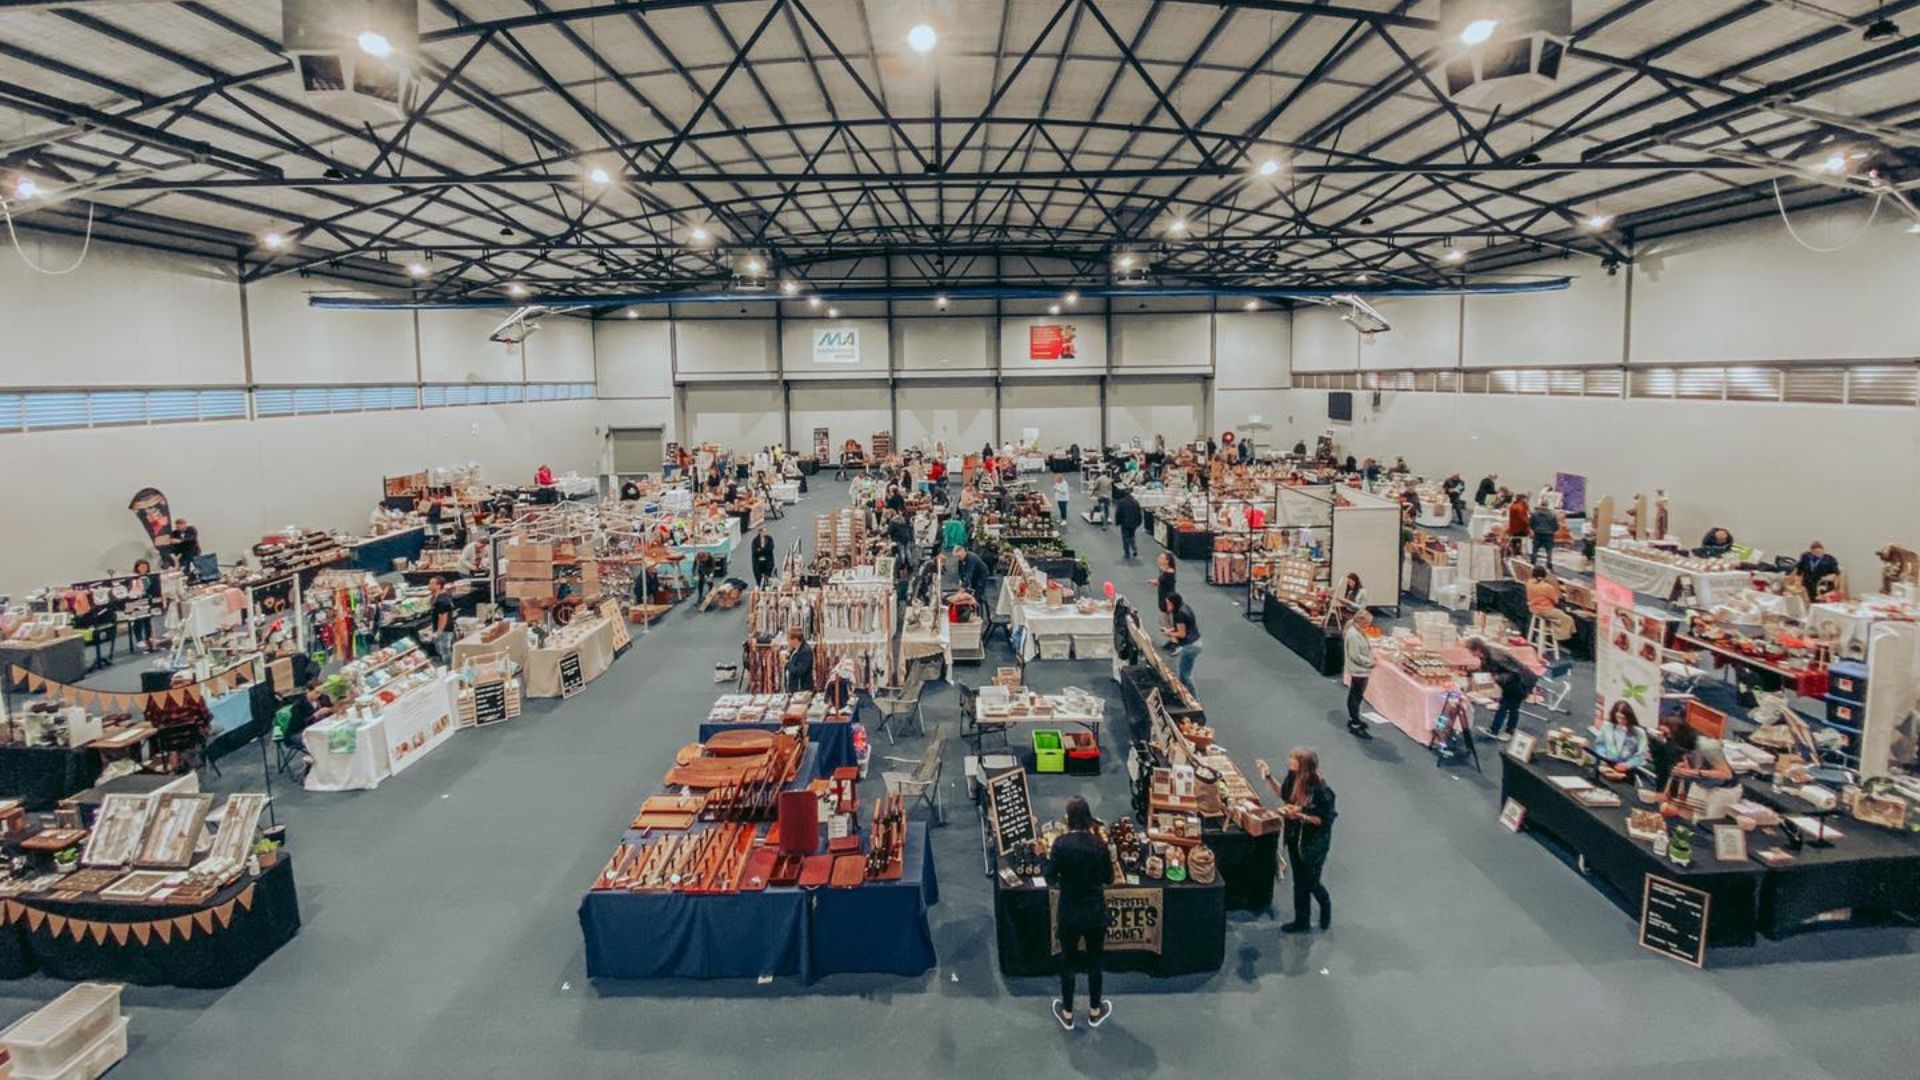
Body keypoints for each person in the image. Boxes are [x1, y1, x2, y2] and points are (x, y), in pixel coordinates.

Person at [1048, 795, 1113, 1030]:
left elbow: (1050, 877)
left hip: (1070, 912)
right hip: (1095, 911)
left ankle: (1067, 1013)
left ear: (1069, 818)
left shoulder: (1060, 844)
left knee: (1068, 962)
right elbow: (1109, 878)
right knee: (1095, 962)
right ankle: (1095, 1010)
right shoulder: (1099, 845)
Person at [1256, 748, 1336, 933]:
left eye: (1293, 759)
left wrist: (1300, 815)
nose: (1289, 761)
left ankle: (1325, 905)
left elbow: (1323, 820)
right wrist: (1268, 777)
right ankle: (1302, 921)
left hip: (1313, 844)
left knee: (1311, 882)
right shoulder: (1293, 777)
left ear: (1303, 765)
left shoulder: (1321, 790)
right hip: (1295, 839)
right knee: (1300, 882)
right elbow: (1284, 795)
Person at [1467, 637, 1535, 742]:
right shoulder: (1485, 654)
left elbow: (1516, 672)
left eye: (1471, 651)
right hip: (1510, 683)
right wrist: (1474, 673)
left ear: (1477, 649)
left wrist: (1498, 677)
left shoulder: (1496, 657)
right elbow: (1486, 667)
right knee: (1504, 706)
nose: (1471, 654)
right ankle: (1494, 729)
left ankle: (1509, 731)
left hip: (1521, 682)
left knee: (1513, 707)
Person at [1342, 610, 1375, 739]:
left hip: (1360, 670)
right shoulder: (1354, 635)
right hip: (1358, 670)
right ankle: (1354, 723)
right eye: (1368, 623)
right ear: (1361, 622)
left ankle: (1354, 718)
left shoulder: (1356, 631)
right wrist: (1370, 662)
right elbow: (1355, 656)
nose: (1369, 625)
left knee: (1356, 695)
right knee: (1355, 696)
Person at [1592, 701, 1650, 771]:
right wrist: (1604, 758)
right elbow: (1600, 745)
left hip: (1629, 769)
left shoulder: (1639, 732)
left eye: (1624, 718)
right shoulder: (1607, 727)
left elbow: (1642, 754)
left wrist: (1627, 765)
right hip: (1608, 765)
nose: (1621, 721)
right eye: (1618, 717)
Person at [1162, 592, 1201, 695]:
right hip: (1196, 642)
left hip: (1190, 646)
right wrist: (1170, 630)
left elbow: (1182, 634)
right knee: (1183, 674)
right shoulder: (1184, 607)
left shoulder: (1178, 614)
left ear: (1173, 603)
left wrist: (1168, 633)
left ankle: (1194, 700)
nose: (1167, 606)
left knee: (1185, 675)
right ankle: (1183, 695)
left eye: (1168, 603)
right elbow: (1183, 627)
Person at [1526, 567, 1575, 641]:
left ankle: (1548, 629)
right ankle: (1561, 637)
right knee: (1568, 619)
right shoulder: (1547, 587)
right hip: (1545, 610)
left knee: (1561, 615)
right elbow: (1556, 600)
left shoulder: (1529, 583)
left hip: (1533, 608)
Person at [126, 558, 159, 653]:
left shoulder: (151, 577)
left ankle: (149, 638)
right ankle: (139, 640)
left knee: (147, 620)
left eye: (145, 566)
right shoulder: (133, 578)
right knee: (138, 620)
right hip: (137, 601)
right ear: (137, 568)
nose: (143, 568)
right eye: (141, 567)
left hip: (148, 601)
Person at [428, 576, 456, 660]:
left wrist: (438, 632)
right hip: (440, 629)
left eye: (431, 584)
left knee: (444, 651)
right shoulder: (437, 597)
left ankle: (448, 668)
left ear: (438, 586)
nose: (428, 586)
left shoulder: (442, 600)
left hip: (444, 631)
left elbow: (443, 618)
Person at [1114, 487, 1143, 560]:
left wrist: (1117, 522)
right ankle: (1134, 549)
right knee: (1132, 536)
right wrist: (1139, 522)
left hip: (1125, 523)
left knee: (1125, 538)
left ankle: (1127, 553)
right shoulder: (1136, 502)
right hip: (1134, 523)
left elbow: (1118, 513)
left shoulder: (1121, 502)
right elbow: (1139, 513)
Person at [1528, 500, 1559, 568]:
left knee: (1535, 549)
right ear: (1547, 505)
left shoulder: (1535, 514)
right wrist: (1552, 530)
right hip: (1549, 534)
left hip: (1538, 533)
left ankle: (1533, 562)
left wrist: (1534, 529)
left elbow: (1530, 523)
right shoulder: (1552, 514)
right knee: (1549, 550)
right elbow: (1556, 526)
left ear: (1540, 505)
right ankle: (1549, 563)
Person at [784, 628, 814, 692]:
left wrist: (787, 664)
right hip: (794, 688)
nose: (788, 641)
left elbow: (799, 671)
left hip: (801, 689)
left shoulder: (805, 651)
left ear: (795, 640)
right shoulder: (795, 649)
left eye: (789, 639)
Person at [1153, 552, 1177, 617]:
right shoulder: (1163, 570)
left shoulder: (1169, 572)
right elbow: (1162, 581)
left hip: (1167, 601)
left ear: (1167, 561)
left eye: (1161, 558)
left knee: (1167, 621)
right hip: (1163, 599)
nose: (1159, 559)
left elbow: (1164, 580)